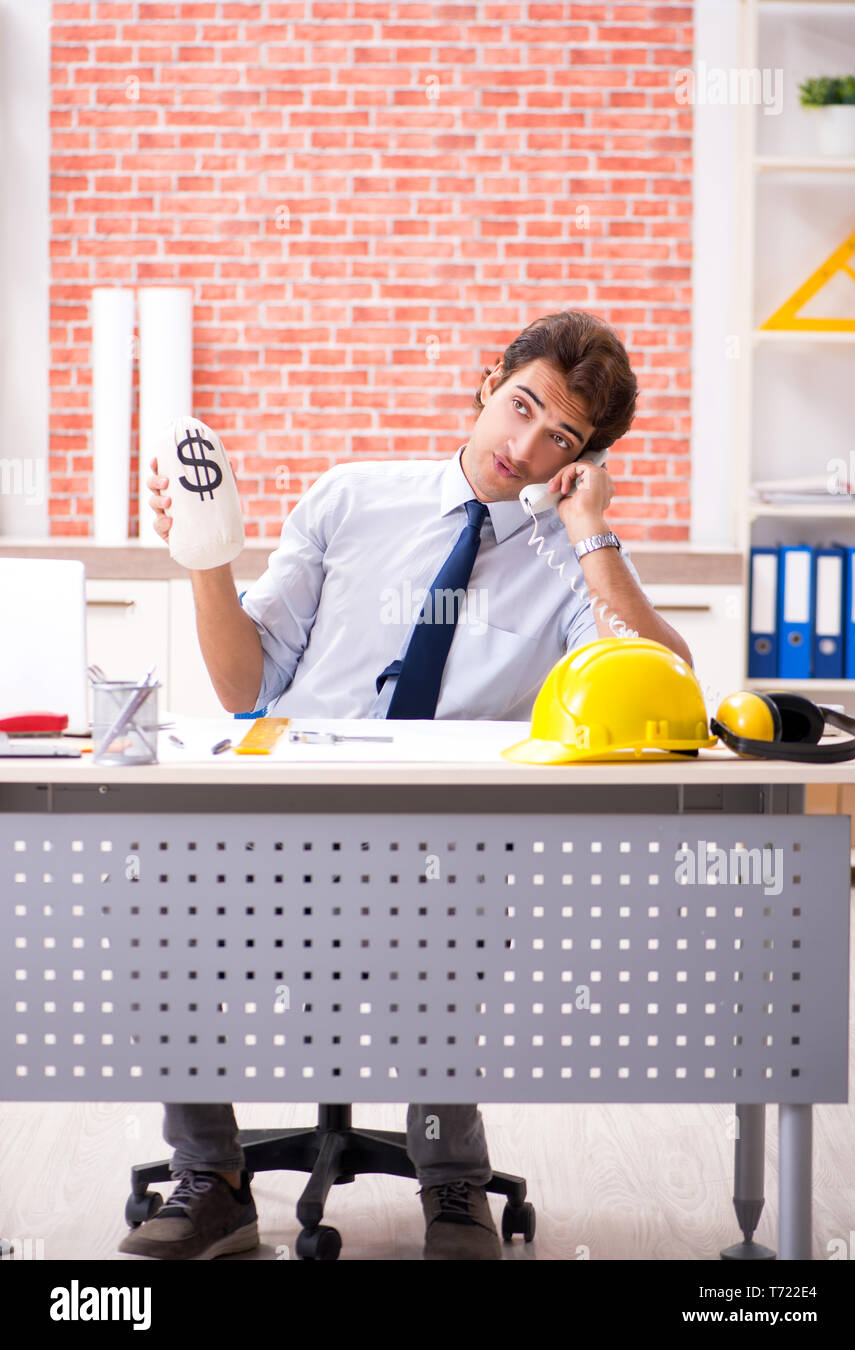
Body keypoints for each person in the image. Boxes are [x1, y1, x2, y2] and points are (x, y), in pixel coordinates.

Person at [119, 309, 691, 1262]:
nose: (523, 446)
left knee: (447, 901)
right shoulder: (349, 500)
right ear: (485, 382)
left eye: (561, 438)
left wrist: (593, 534)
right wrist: (203, 556)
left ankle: (453, 1179)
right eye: (521, 407)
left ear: (580, 461)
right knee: (158, 900)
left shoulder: (568, 563)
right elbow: (243, 686)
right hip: (285, 822)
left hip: (442, 850)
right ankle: (212, 1178)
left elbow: (665, 681)